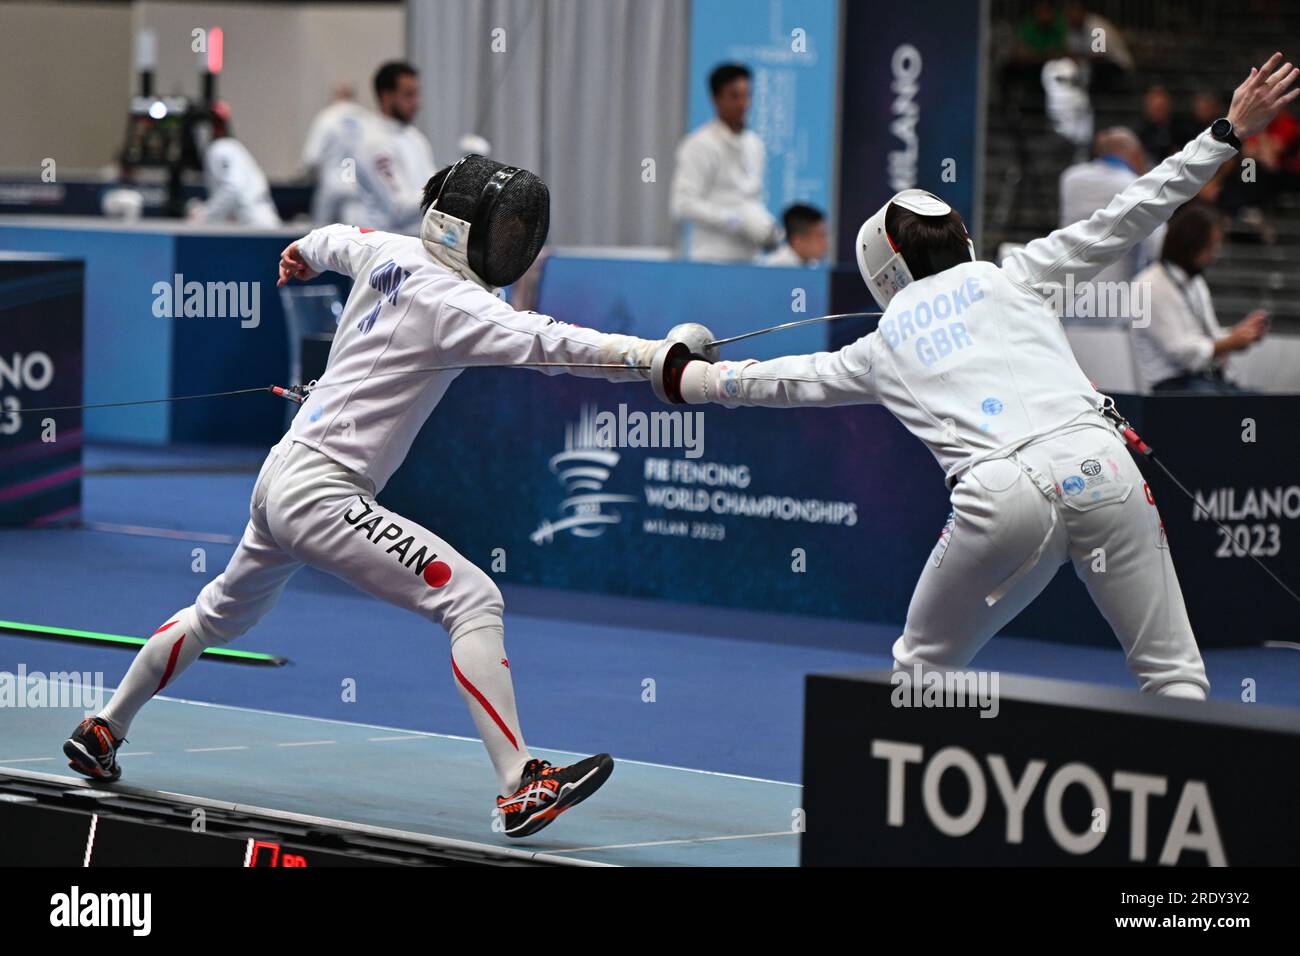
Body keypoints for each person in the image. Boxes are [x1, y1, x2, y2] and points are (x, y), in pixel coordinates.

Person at [64, 155, 681, 839]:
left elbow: (331, 238)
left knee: (216, 616)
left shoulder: (389, 250)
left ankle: (103, 727)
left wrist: (298, 252)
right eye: (503, 228)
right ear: (466, 228)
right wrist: (656, 358)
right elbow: (554, 343)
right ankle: (519, 784)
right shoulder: (456, 302)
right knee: (472, 598)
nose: (512, 242)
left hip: (280, 478)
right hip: (323, 492)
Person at [657, 54, 1299, 700]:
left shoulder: (880, 344)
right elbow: (1130, 211)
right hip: (1102, 465)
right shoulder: (1015, 272)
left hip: (1001, 500)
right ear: (958, 238)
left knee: (920, 673)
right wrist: (1226, 131)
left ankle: (915, 798)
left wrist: (690, 379)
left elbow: (781, 381)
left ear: (884, 272)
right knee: (1174, 674)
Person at [1131, 202, 1268, 392]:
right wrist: (1230, 342)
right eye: (1211, 247)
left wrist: (1241, 333)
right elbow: (1179, 351)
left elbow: (1208, 336)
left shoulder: (1195, 283)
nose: (1215, 255)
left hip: (1205, 381)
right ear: (1191, 244)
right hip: (1173, 386)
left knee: (1262, 401)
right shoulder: (1148, 285)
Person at [670, 63, 780, 262]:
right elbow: (682, 204)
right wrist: (733, 221)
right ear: (716, 99)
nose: (743, 104)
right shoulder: (699, 144)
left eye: (747, 95)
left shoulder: (755, 145)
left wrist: (766, 229)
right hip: (711, 259)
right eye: (734, 96)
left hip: (750, 259)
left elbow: (753, 199)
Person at [1058, 127, 1160, 285]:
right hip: (1115, 293)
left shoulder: (1070, 179)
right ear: (1137, 155)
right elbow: (1156, 243)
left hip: (1068, 288)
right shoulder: (1136, 186)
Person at [351, 61, 437, 234]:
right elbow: (398, 209)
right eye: (408, 95)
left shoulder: (415, 138)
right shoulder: (373, 143)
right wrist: (446, 192)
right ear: (386, 96)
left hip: (416, 242)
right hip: (383, 249)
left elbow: (431, 185)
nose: (416, 102)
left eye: (417, 94)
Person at [189, 102, 281, 228]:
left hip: (253, 223)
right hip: (261, 219)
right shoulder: (233, 147)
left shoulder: (219, 149)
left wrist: (206, 214)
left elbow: (233, 187)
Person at [301, 82, 370, 226]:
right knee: (353, 236)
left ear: (335, 96)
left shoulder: (327, 117)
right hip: (356, 188)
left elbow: (311, 158)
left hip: (332, 186)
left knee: (321, 236)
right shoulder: (367, 119)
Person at [763, 204, 829, 267]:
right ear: (798, 240)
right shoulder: (776, 268)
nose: (825, 243)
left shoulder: (813, 265)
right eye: (820, 236)